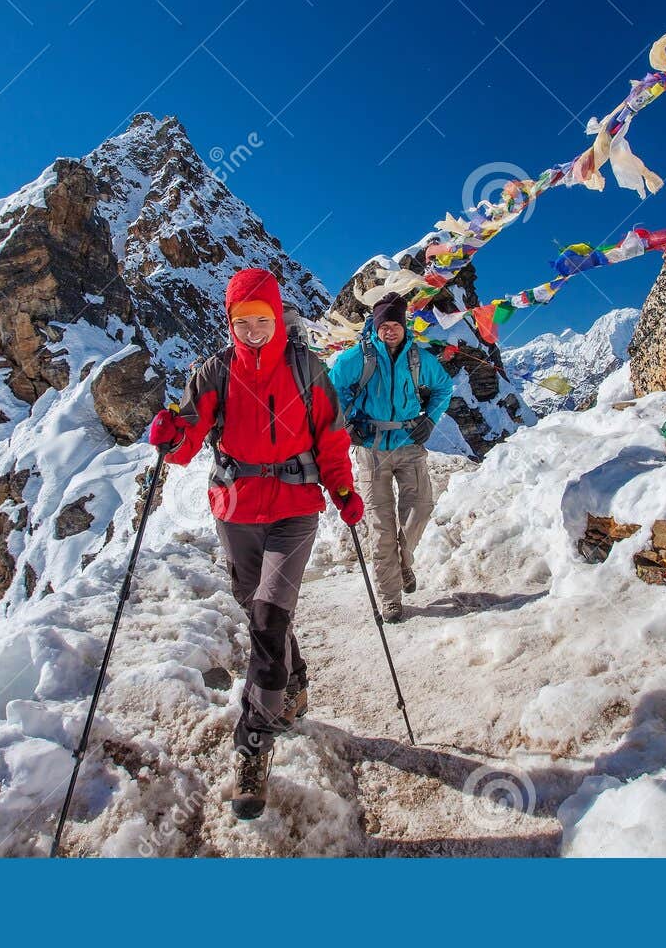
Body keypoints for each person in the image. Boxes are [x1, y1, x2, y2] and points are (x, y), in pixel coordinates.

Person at [147, 268, 363, 821]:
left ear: (277, 318)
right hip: (237, 510)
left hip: (294, 510)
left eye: (262, 321)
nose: (254, 332)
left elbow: (331, 437)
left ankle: (253, 747)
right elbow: (186, 442)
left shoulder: (306, 367)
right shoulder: (213, 373)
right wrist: (170, 437)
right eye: (243, 323)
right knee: (258, 609)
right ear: (230, 323)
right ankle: (294, 679)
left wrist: (342, 488)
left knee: (268, 619)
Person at [327, 292, 453, 623]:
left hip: (409, 443)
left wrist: (430, 418)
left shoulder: (418, 358)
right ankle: (390, 596)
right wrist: (346, 423)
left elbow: (443, 387)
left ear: (404, 325)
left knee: (420, 509)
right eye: (386, 325)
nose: (391, 330)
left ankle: (403, 563)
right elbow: (331, 389)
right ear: (377, 326)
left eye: (396, 324)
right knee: (380, 526)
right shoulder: (359, 357)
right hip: (371, 449)